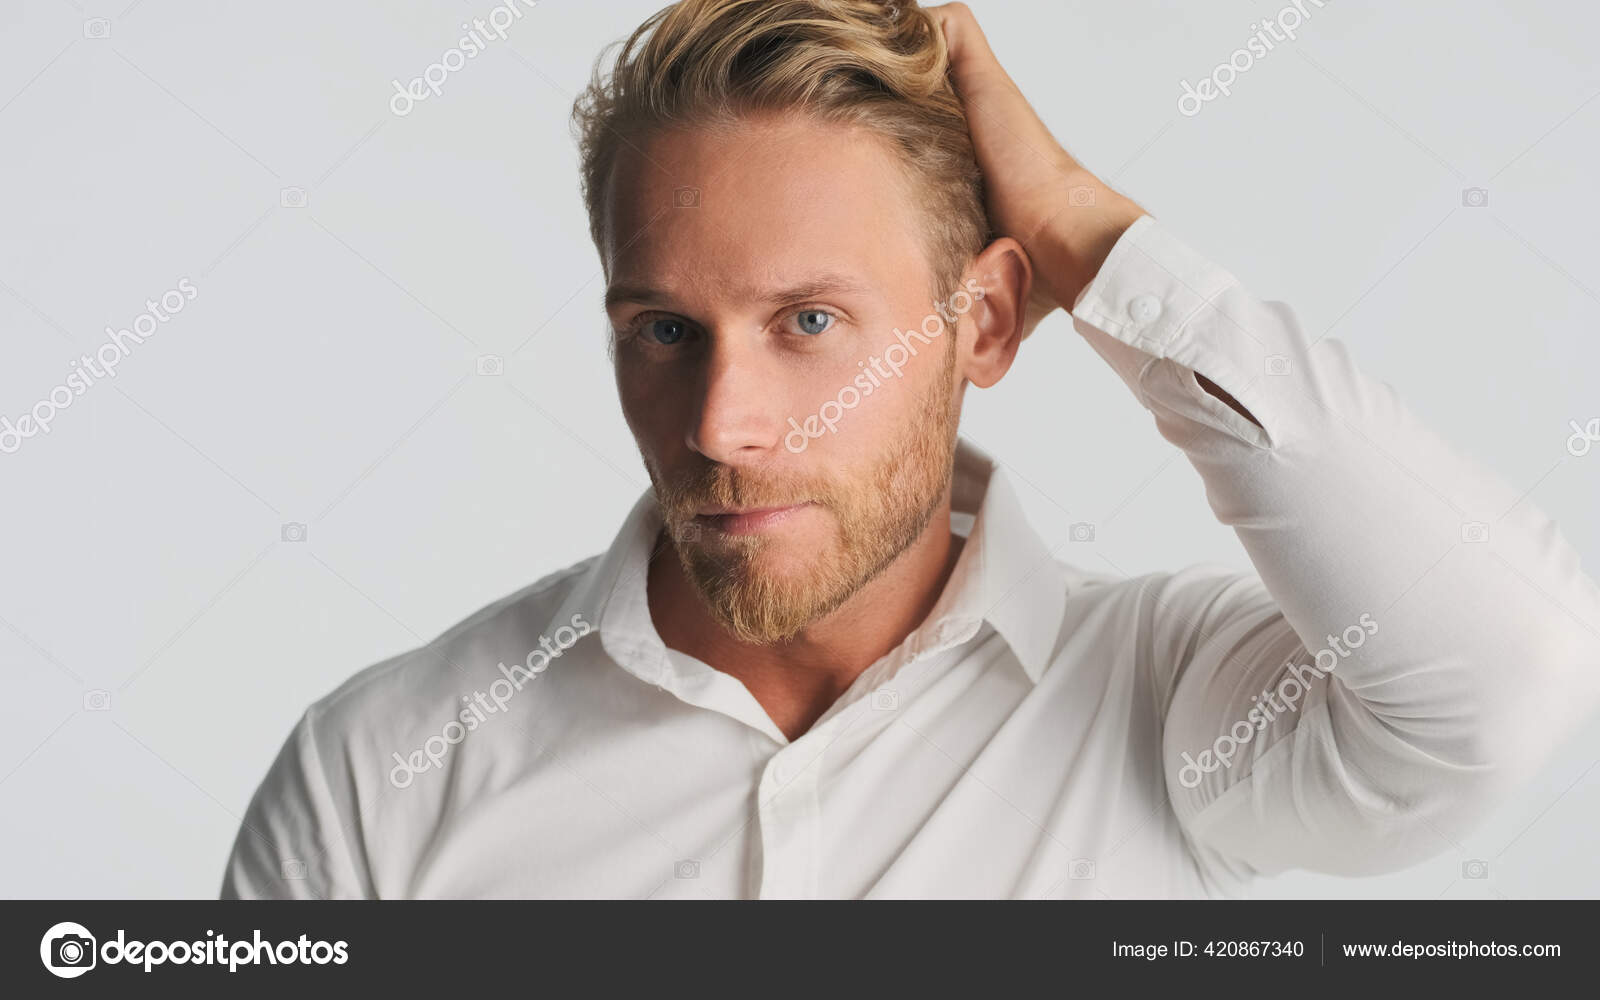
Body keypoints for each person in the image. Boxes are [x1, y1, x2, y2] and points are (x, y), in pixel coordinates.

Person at [222, 0, 1600, 899]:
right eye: (661, 330)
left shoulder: (1172, 716)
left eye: (809, 321)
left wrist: (1090, 238)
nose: (719, 427)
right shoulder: (381, 776)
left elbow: (1507, 665)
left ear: (985, 319)